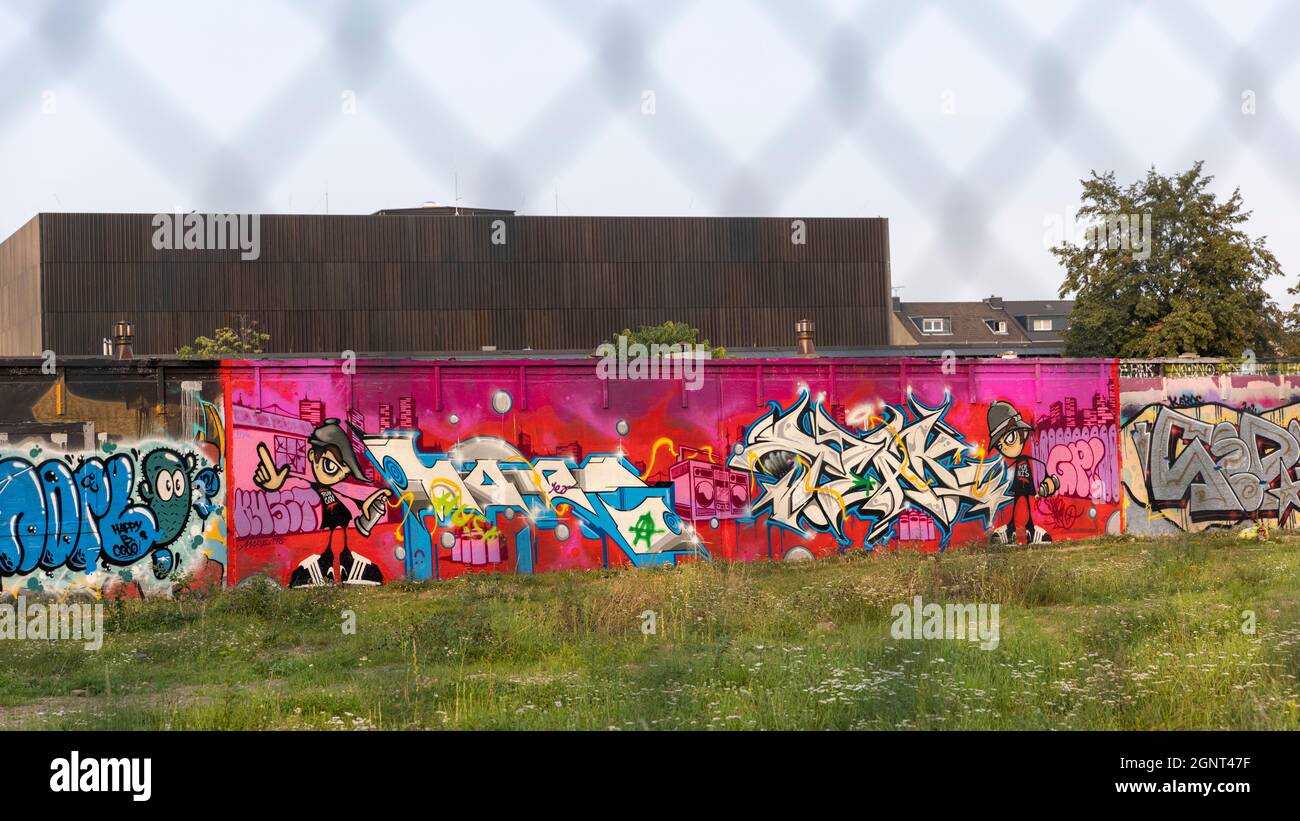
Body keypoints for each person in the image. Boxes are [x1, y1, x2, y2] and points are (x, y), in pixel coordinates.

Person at [253, 419, 391, 586]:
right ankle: (323, 569)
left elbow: (354, 509)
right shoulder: (307, 488)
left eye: (344, 470)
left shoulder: (337, 495)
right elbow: (296, 484)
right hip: (321, 553)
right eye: (330, 466)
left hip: (341, 553)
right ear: (312, 456)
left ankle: (343, 567)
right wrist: (275, 486)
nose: (338, 476)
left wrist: (368, 503)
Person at [986, 401, 1058, 545]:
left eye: (1009, 439)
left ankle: (1030, 529)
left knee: (1025, 500)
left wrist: (1050, 484)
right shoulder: (1005, 467)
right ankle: (1011, 529)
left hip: (1031, 496)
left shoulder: (1035, 463)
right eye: (1000, 445)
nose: (1005, 448)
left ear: (1023, 433)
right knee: (1016, 499)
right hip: (1013, 495)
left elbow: (1052, 479)